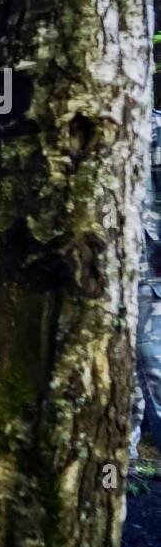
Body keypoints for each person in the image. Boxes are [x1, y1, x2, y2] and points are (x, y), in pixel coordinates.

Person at [131, 109, 161, 465]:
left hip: (148, 271)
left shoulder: (152, 126)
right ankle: (122, 467)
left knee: (154, 367)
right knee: (123, 380)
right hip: (105, 273)